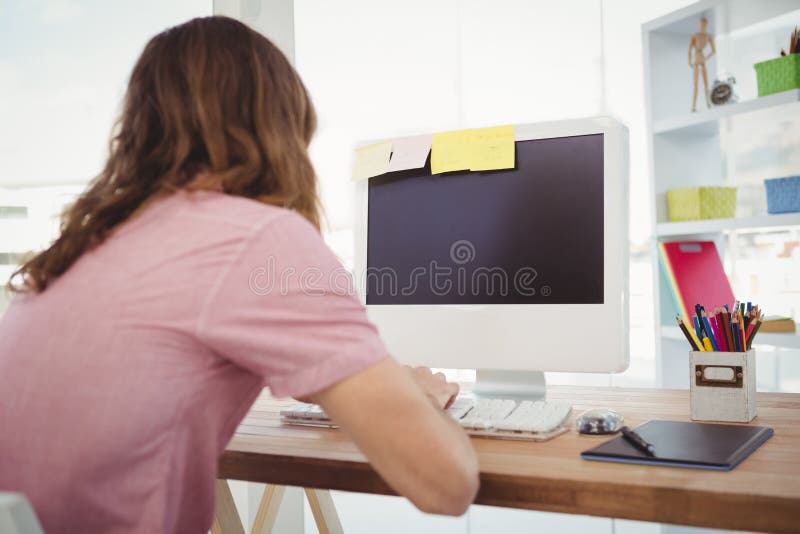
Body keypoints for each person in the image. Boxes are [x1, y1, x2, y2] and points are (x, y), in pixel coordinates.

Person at [0, 16, 479, 533]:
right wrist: (423, 405)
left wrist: (362, 385)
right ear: (281, 128)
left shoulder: (84, 244)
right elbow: (446, 484)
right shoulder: (258, 237)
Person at [688, 16, 716, 112]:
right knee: (695, 85)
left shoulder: (708, 36)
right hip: (696, 60)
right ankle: (693, 106)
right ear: (699, 24)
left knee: (706, 84)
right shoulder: (695, 36)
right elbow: (689, 49)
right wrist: (689, 61)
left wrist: (706, 58)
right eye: (701, 24)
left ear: (706, 25)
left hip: (702, 60)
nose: (702, 25)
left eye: (704, 24)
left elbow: (713, 51)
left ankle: (708, 103)